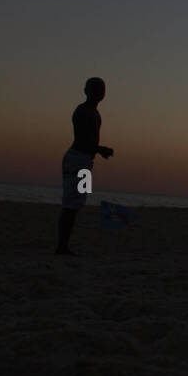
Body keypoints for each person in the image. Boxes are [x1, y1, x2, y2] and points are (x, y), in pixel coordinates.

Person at [56, 77, 114, 255]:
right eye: (95, 88)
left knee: (77, 203)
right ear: (86, 91)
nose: (99, 91)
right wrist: (100, 149)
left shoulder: (94, 113)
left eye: (101, 88)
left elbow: (88, 142)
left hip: (85, 161)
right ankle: (62, 246)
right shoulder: (83, 112)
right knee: (71, 204)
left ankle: (64, 245)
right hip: (78, 160)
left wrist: (98, 150)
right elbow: (82, 141)